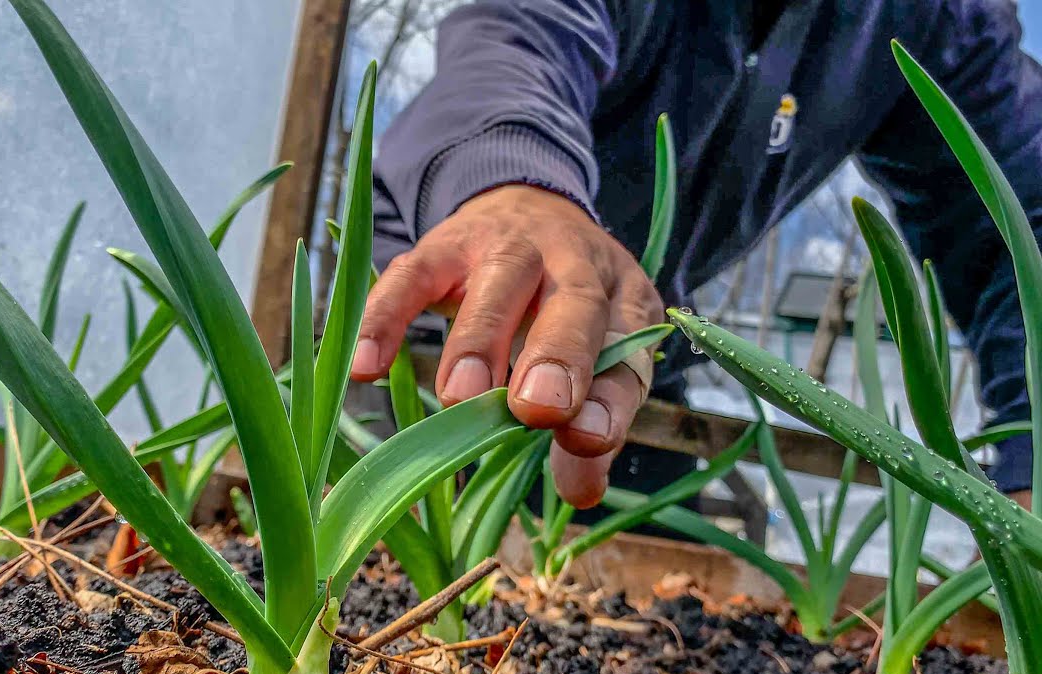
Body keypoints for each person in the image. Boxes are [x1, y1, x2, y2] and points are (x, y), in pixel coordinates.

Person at [348, 0, 1040, 513]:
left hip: (634, 356)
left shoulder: (938, 19)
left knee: (670, 578)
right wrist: (513, 180)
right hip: (442, 322)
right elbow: (517, 42)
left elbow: (1020, 223)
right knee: (360, 526)